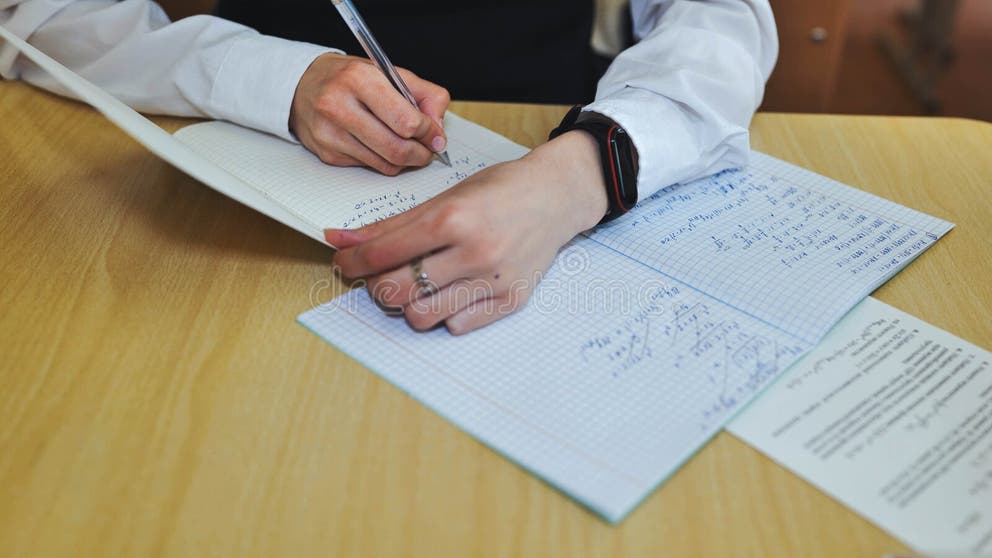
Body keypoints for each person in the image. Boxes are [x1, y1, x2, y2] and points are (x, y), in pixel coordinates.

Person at [0, 0, 778, 334]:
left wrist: (587, 169)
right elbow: (42, 17)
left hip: (553, 147)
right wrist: (272, 78)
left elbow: (722, 18)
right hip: (248, 173)